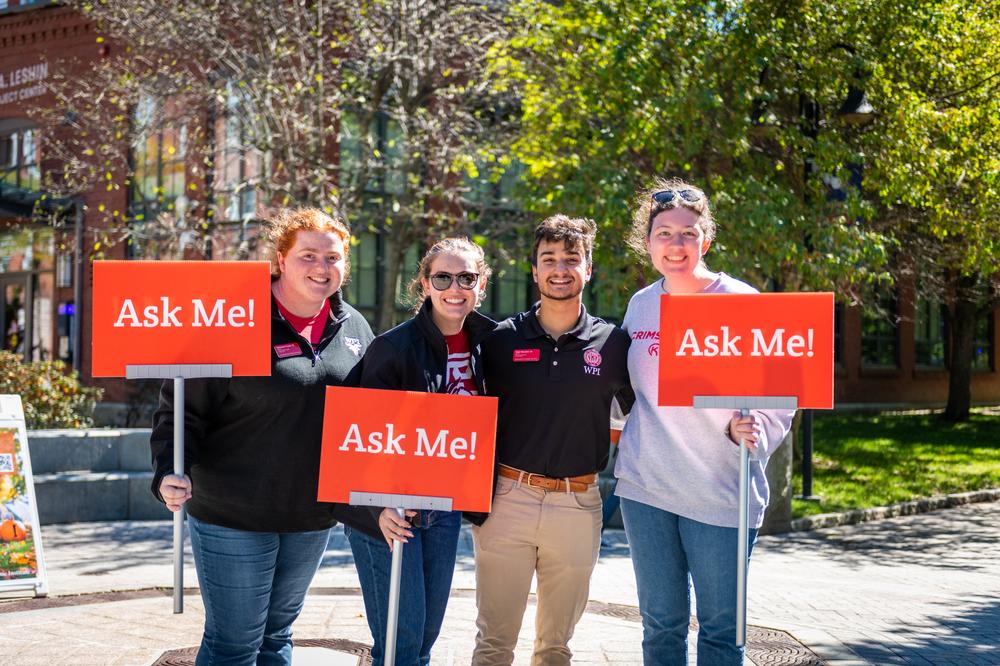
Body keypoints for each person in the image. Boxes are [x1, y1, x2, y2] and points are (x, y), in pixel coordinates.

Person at [150, 208, 374, 666]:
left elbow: (368, 419)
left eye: (332, 258)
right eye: (308, 255)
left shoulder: (355, 327)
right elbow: (181, 408)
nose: (321, 268)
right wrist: (167, 472)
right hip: (233, 512)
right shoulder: (232, 317)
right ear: (281, 258)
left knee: (276, 638)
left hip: (311, 516)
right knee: (234, 646)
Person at [615, 178, 795, 665]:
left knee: (721, 631)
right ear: (648, 243)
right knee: (660, 628)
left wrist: (752, 425)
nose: (676, 245)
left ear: (706, 241)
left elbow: (781, 395)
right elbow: (630, 393)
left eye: (688, 233)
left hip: (720, 493)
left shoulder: (742, 302)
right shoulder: (641, 305)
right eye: (664, 233)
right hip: (647, 490)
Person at [472, 215, 633, 666]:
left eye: (571, 259)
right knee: (492, 645)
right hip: (507, 499)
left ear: (589, 268)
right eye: (549, 259)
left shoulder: (615, 344)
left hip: (578, 504)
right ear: (534, 269)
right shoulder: (500, 342)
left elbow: (645, 413)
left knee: (555, 650)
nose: (560, 269)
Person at [346, 237, 496, 666]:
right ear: (425, 284)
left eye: (466, 277)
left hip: (444, 509)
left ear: (480, 284)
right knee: (400, 642)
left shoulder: (491, 344)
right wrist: (377, 508)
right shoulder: (393, 348)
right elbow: (356, 436)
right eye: (443, 277)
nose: (455, 287)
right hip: (391, 512)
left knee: (424, 639)